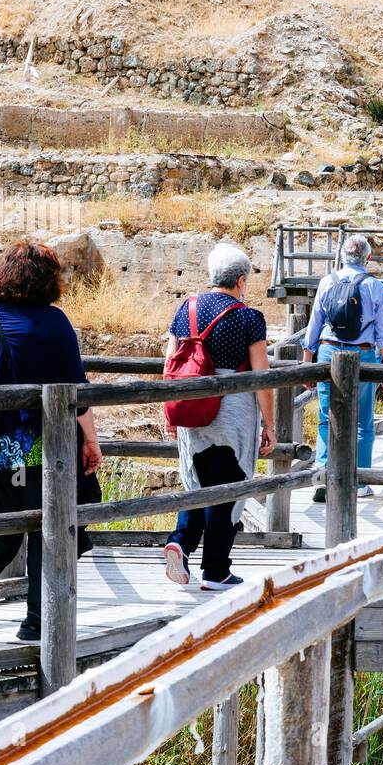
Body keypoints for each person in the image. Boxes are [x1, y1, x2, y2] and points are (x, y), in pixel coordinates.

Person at [0, 242, 103, 641]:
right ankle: (37, 622)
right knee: (51, 531)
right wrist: (91, 441)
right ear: (48, 280)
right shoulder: (55, 324)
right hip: (47, 451)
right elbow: (76, 392)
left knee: (2, 526)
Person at [161, 243, 275, 591]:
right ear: (240, 280)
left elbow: (169, 363)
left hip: (191, 402)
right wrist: (269, 424)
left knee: (197, 482)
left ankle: (180, 542)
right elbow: (262, 376)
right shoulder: (248, 318)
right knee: (227, 488)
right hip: (232, 409)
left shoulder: (187, 309)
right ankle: (216, 569)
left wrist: (169, 410)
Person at [301, 233, 383, 501]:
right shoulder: (374, 286)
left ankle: (322, 477)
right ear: (368, 258)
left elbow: (313, 327)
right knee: (363, 419)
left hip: (328, 350)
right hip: (362, 354)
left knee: (325, 417)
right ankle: (361, 480)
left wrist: (307, 364)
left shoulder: (326, 282)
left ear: (342, 256)